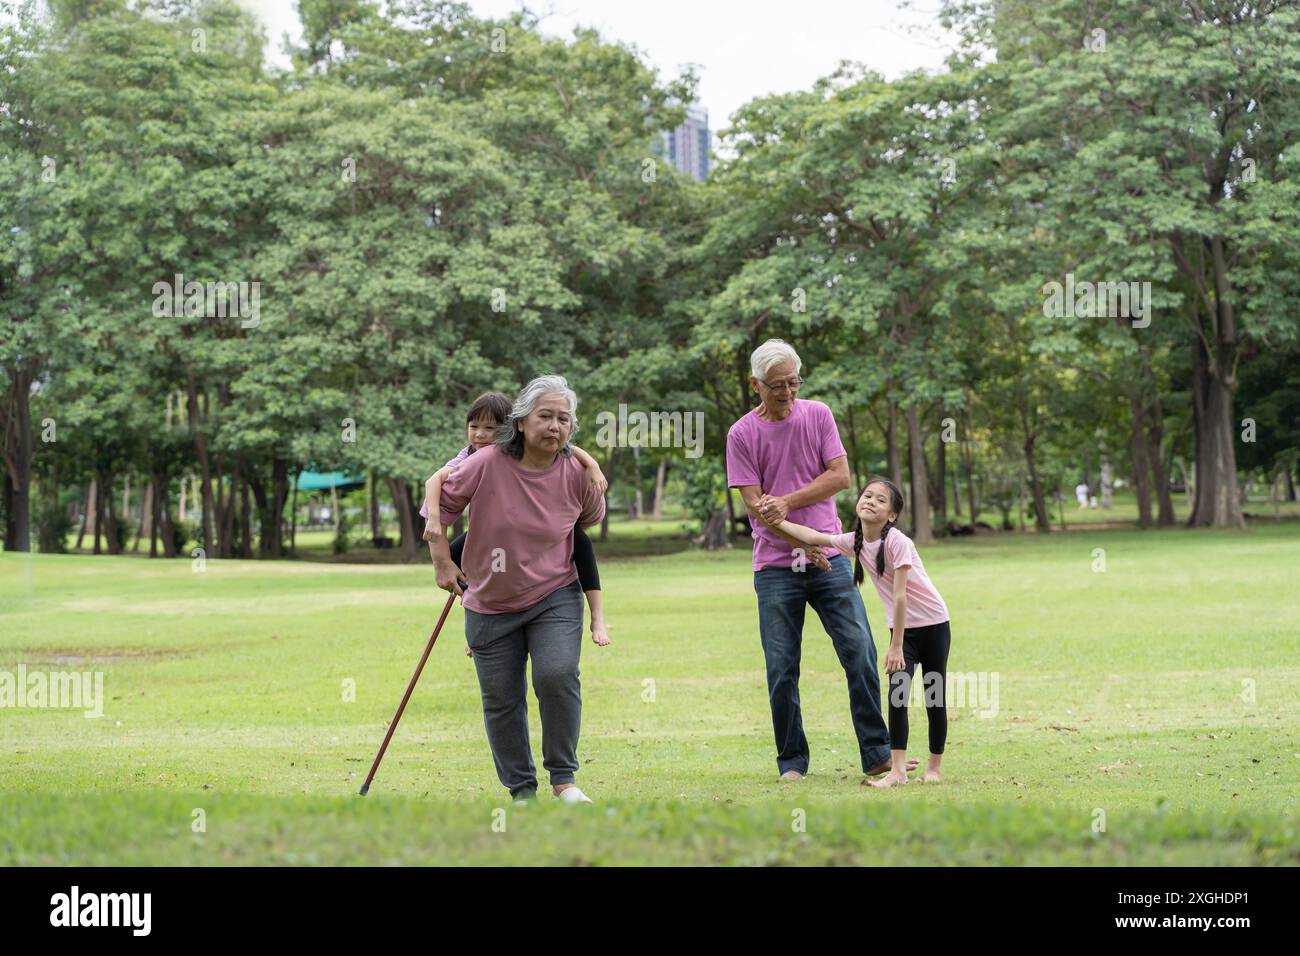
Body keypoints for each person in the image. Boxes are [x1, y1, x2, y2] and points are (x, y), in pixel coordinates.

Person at [726, 338, 915, 783]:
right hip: (774, 566)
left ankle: (876, 754)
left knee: (860, 652)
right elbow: (756, 506)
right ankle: (792, 762)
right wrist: (796, 539)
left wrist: (792, 510)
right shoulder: (741, 434)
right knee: (781, 667)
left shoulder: (818, 415)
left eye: (794, 382)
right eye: (777, 386)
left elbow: (840, 477)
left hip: (828, 555)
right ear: (755, 385)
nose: (788, 392)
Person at [429, 376, 606, 805]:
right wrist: (441, 562)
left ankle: (564, 780)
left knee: (557, 674)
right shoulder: (486, 462)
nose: (555, 426)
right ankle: (521, 790)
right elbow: (441, 507)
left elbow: (588, 520)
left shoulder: (577, 473)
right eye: (545, 416)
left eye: (564, 419)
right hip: (489, 602)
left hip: (555, 592)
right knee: (502, 698)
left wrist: (591, 466)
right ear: (522, 422)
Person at [769, 477, 952, 787]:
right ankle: (897, 771)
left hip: (932, 625)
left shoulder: (898, 542)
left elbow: (900, 596)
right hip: (903, 630)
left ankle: (934, 768)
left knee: (934, 696)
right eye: (868, 496)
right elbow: (812, 535)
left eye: (881, 500)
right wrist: (777, 520)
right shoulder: (855, 541)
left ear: (892, 515)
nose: (871, 501)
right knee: (897, 696)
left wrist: (895, 647)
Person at [420, 392, 611, 652]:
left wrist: (592, 465)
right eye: (474, 427)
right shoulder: (468, 459)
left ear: (509, 429)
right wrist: (434, 523)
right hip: (493, 530)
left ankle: (597, 615)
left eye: (490, 428)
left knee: (579, 541)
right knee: (458, 558)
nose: (480, 435)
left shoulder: (520, 453)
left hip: (538, 530)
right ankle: (477, 621)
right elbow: (435, 481)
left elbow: (567, 447)